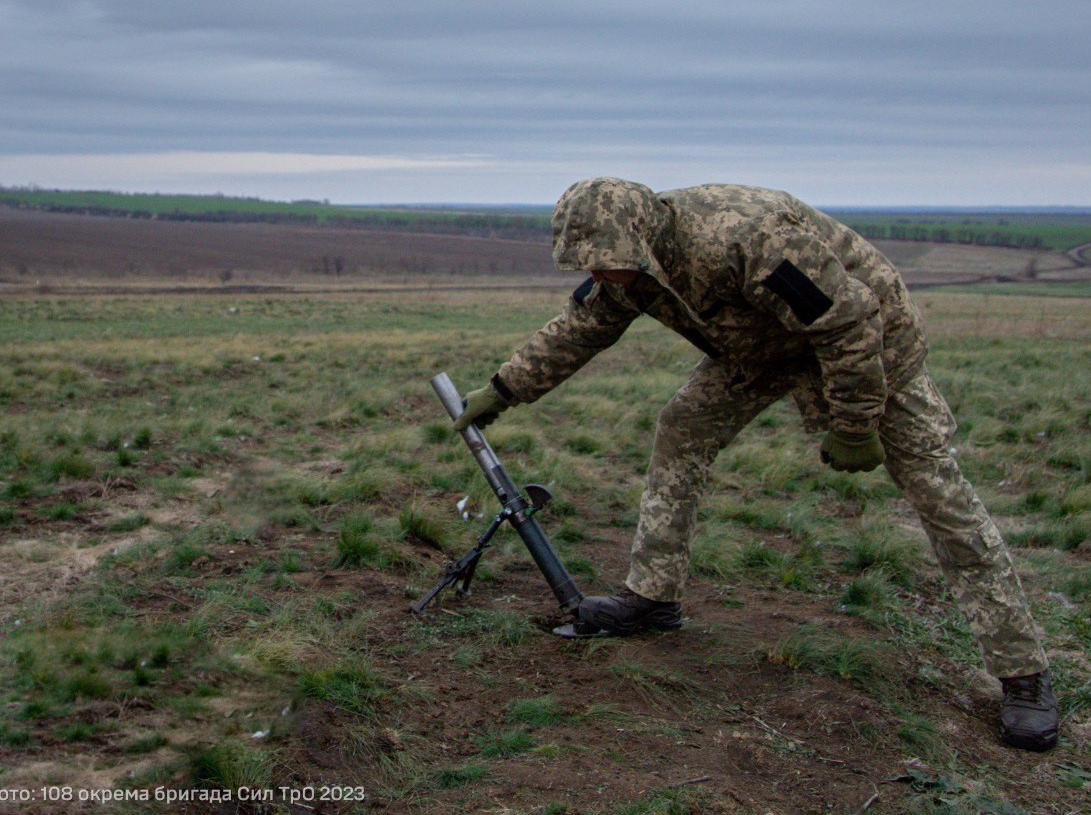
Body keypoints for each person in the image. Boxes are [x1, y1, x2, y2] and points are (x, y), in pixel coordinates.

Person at [452, 177, 1059, 752]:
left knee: (938, 493)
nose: (595, 271)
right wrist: (504, 389)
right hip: (762, 348)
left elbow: (848, 320)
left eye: (602, 259)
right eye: (585, 261)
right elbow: (579, 327)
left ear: (637, 239)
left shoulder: (742, 237)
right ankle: (652, 597)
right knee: (682, 429)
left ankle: (1023, 675)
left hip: (871, 351)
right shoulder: (626, 269)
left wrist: (854, 424)